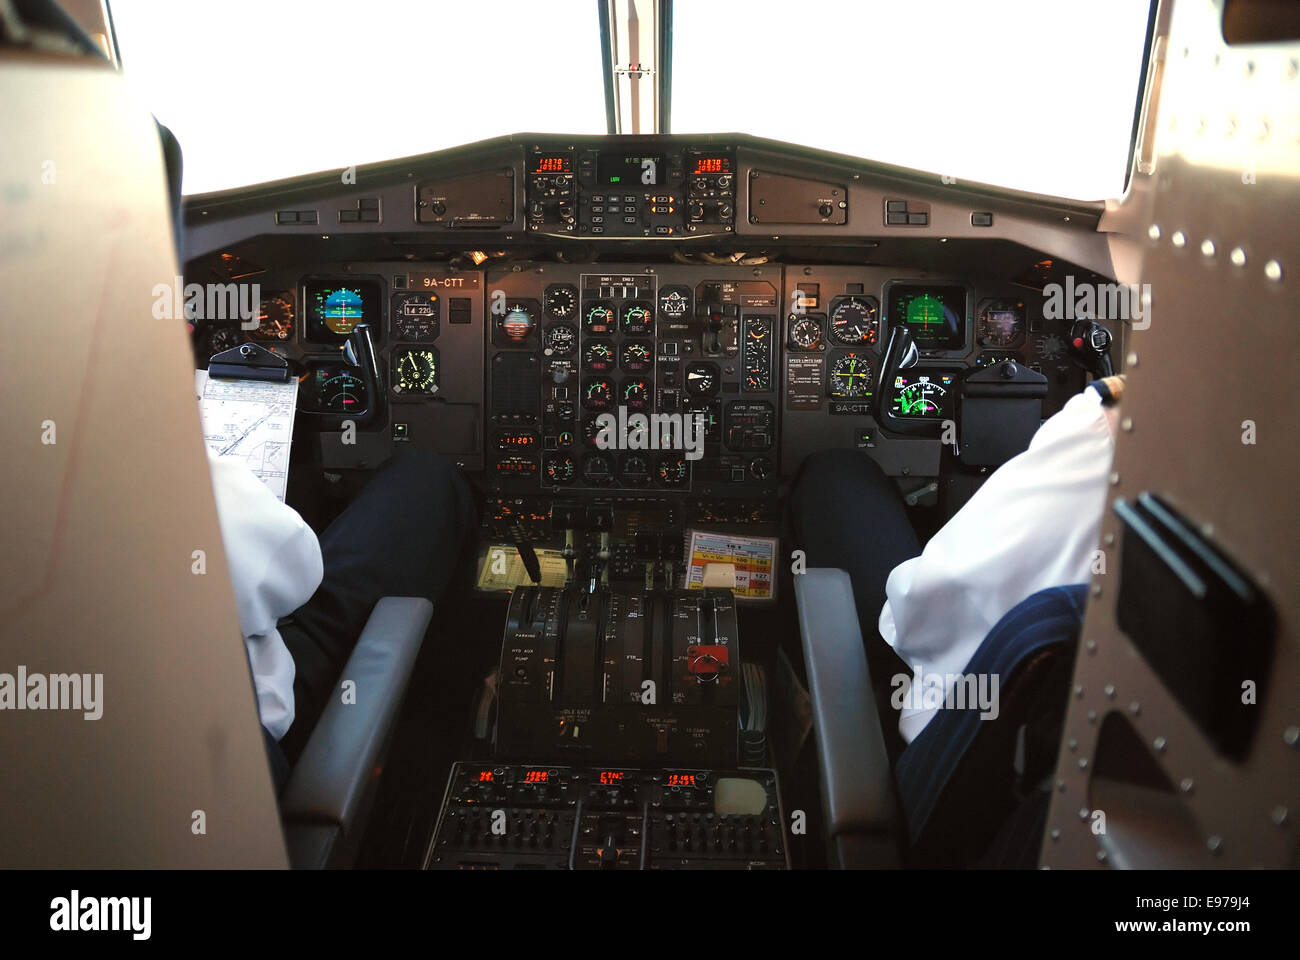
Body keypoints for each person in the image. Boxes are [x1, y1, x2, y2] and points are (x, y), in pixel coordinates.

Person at [791, 376, 1123, 753]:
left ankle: (799, 688)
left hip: (950, 719)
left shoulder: (1104, 429)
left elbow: (929, 602)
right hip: (1053, 727)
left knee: (835, 471)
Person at [208, 447, 474, 776]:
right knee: (428, 475)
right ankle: (457, 716)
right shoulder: (163, 464)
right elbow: (297, 573)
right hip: (256, 738)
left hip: (185, 757)